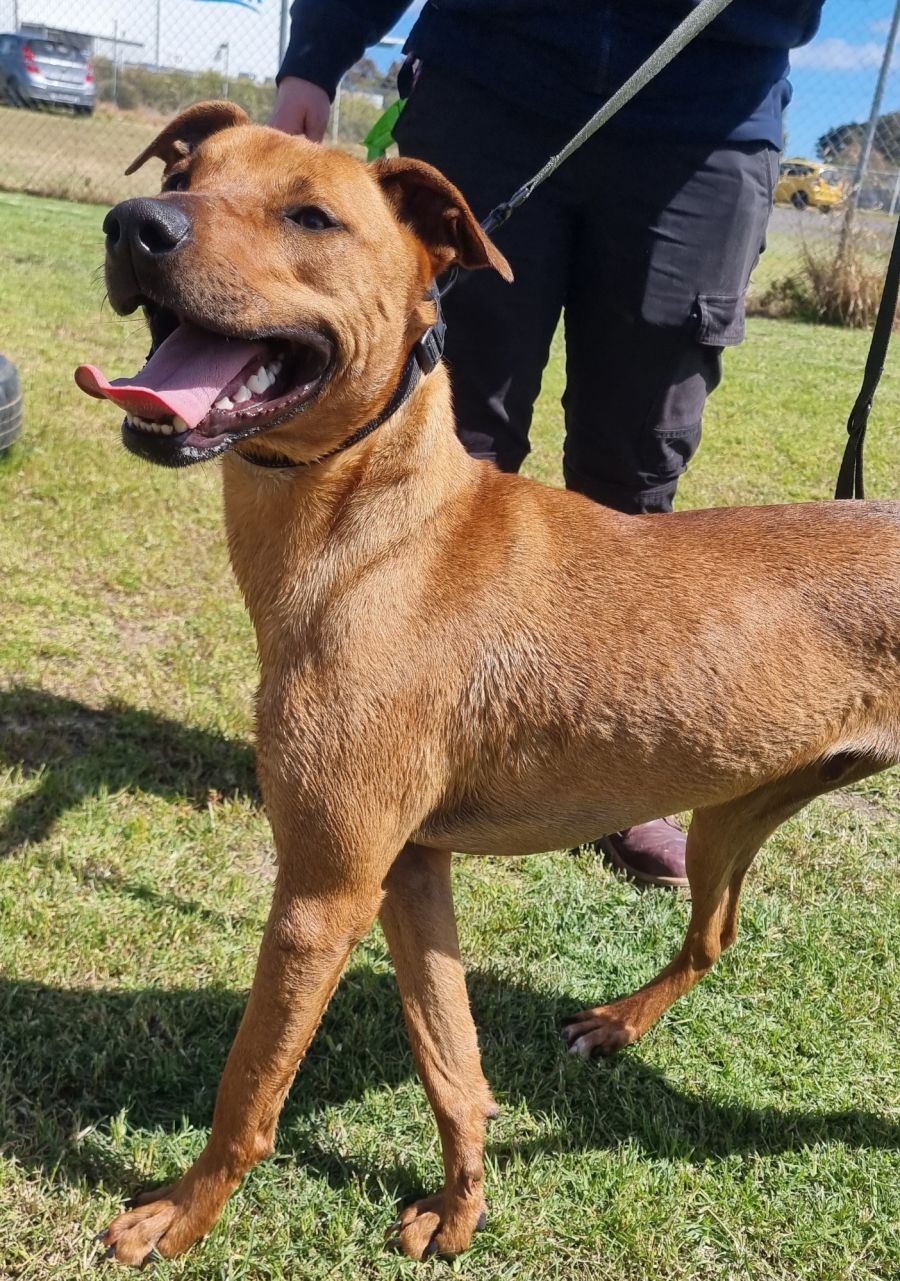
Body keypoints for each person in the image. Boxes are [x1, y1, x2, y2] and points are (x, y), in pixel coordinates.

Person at [271, 0, 826, 887]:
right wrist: (316, 53)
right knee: (444, 438)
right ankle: (375, 726)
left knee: (635, 468)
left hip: (705, 113)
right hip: (493, 79)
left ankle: (614, 773)